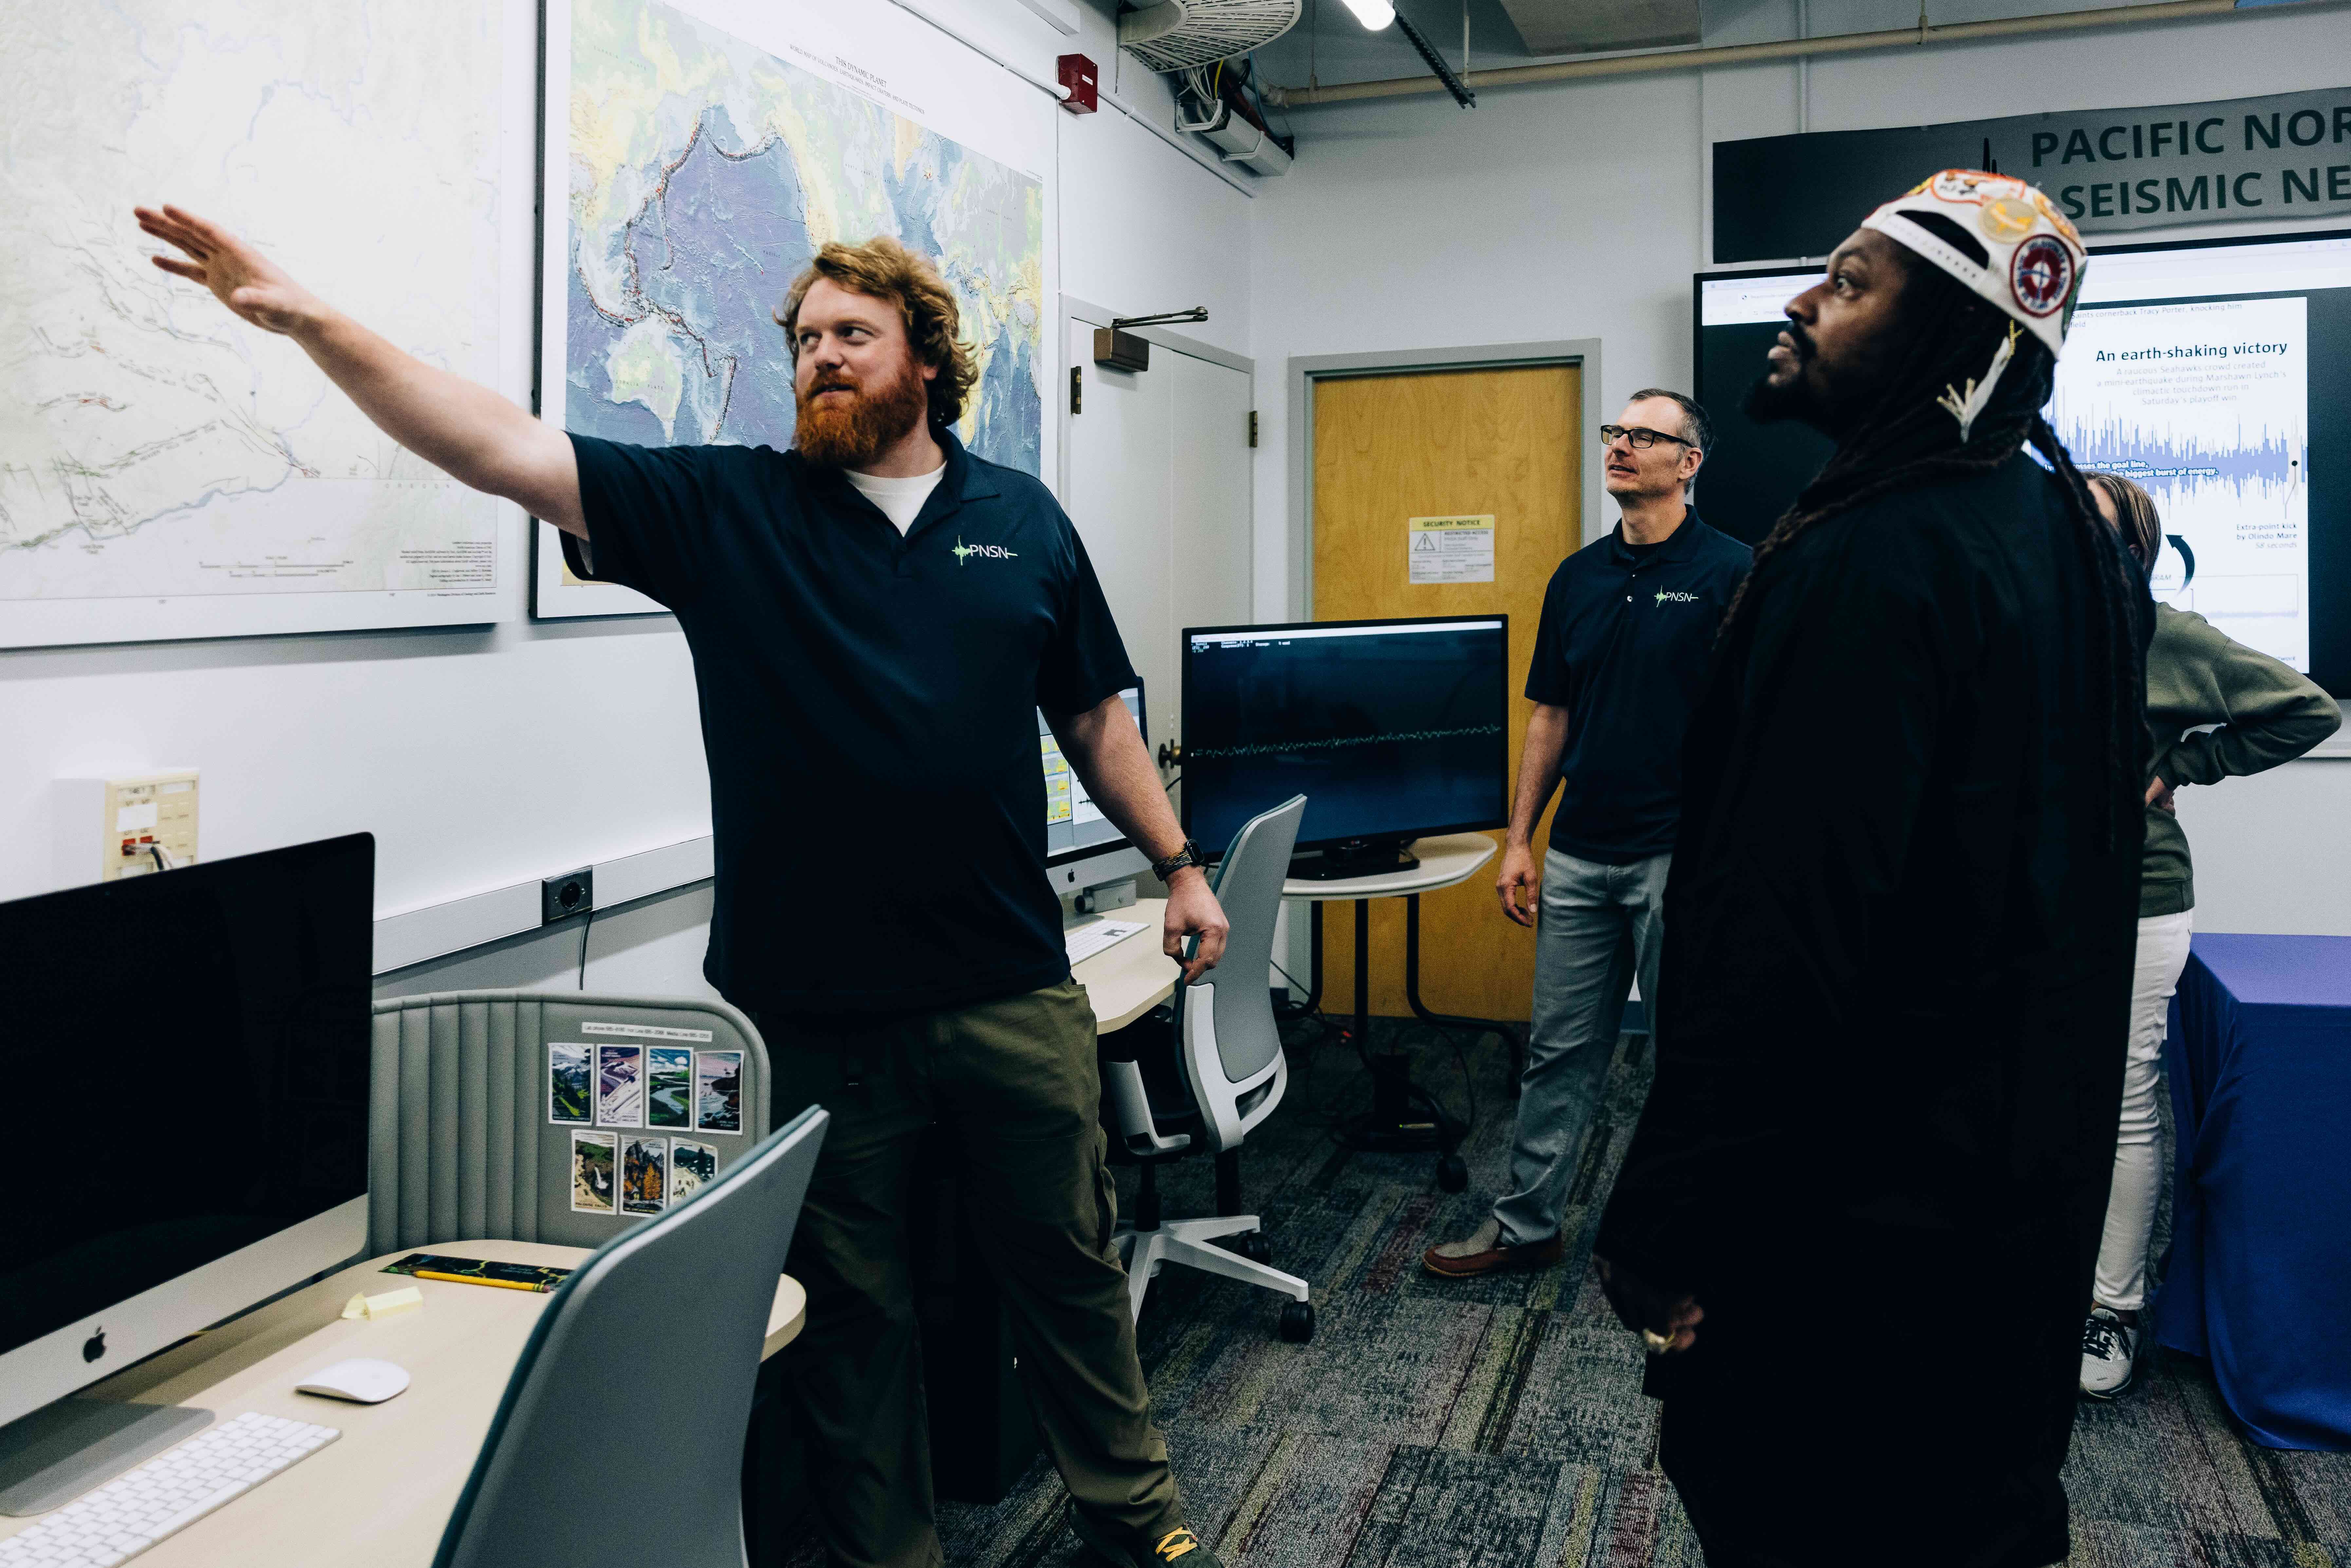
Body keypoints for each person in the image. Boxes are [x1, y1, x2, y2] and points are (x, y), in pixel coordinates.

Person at [135, 207, 1231, 1568]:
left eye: (852, 336)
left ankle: (1143, 1529)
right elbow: (500, 448)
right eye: (805, 341)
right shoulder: (730, 509)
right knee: (850, 1317)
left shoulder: (1022, 519)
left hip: (1009, 987)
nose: (821, 358)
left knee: (1067, 1272)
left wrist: (1178, 866)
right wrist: (314, 324)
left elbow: (1094, 719)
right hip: (815, 1016)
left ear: (925, 362)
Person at [1588, 171, 2151, 1567]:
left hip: (1844, 1245)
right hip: (1999, 1223)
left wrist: (1662, 1229)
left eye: (1846, 283)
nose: (1795, 301)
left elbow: (1774, 935)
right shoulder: (2062, 532)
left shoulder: (1870, 559)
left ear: (1955, 340)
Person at [1423, 392, 1749, 1279]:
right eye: (1615, 432)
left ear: (1688, 463)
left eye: (1645, 436)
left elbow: (1759, 724)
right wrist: (1520, 837)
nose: (1621, 446)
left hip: (1678, 857)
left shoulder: (1732, 572)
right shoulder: (1578, 576)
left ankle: (1690, 1242)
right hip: (1577, 855)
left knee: (1690, 1059)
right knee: (1560, 1054)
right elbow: (1549, 715)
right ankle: (1527, 1227)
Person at [2074, 470, 2340, 1400]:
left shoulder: (2168, 637)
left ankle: (2111, 1307)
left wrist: (2189, 761)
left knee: (2118, 1101)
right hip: (2009, 901)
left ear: (2129, 548)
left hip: (2133, 897)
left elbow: (2304, 707)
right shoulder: (2004, 628)